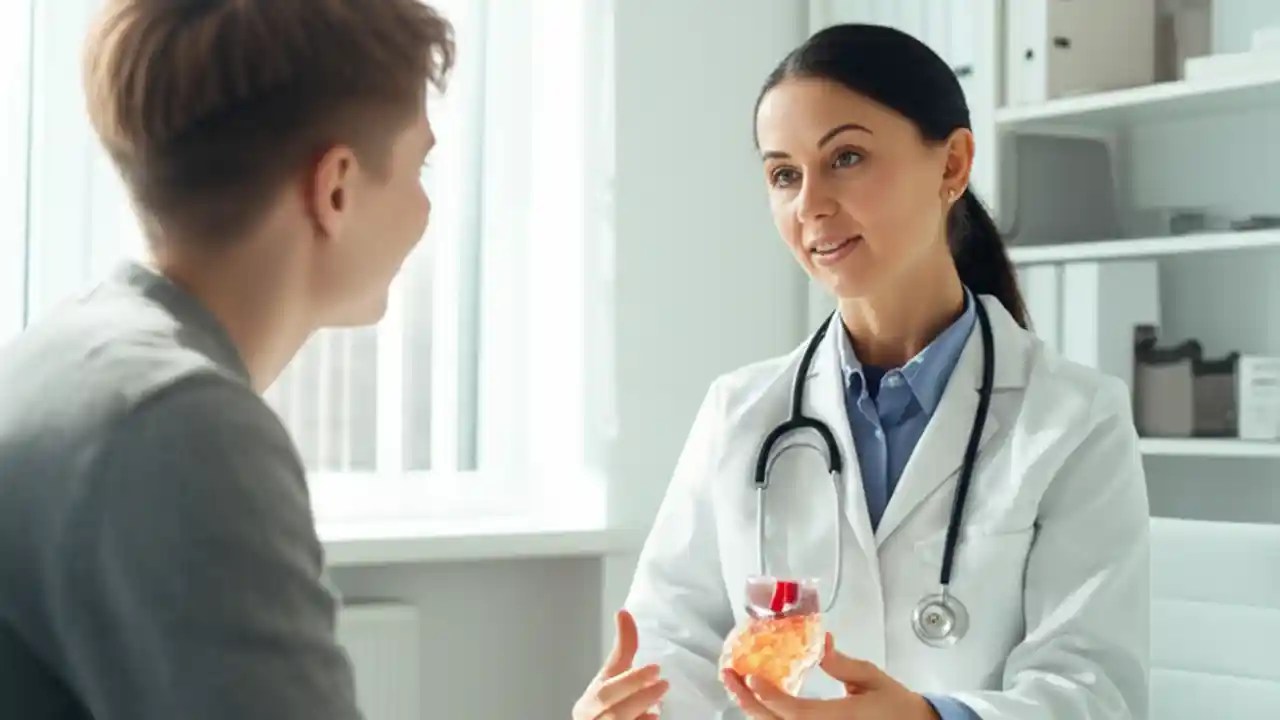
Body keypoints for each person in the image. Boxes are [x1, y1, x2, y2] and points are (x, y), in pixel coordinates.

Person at [573, 24, 1150, 720]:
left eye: (846, 157)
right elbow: (673, 643)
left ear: (952, 165)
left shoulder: (1074, 418)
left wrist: (927, 718)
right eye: (783, 173)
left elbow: (1093, 691)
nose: (810, 203)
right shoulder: (741, 413)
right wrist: (635, 708)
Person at [0, 1, 453, 717]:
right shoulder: (179, 428)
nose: (428, 207)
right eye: (420, 164)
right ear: (335, 187)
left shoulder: (60, 358)